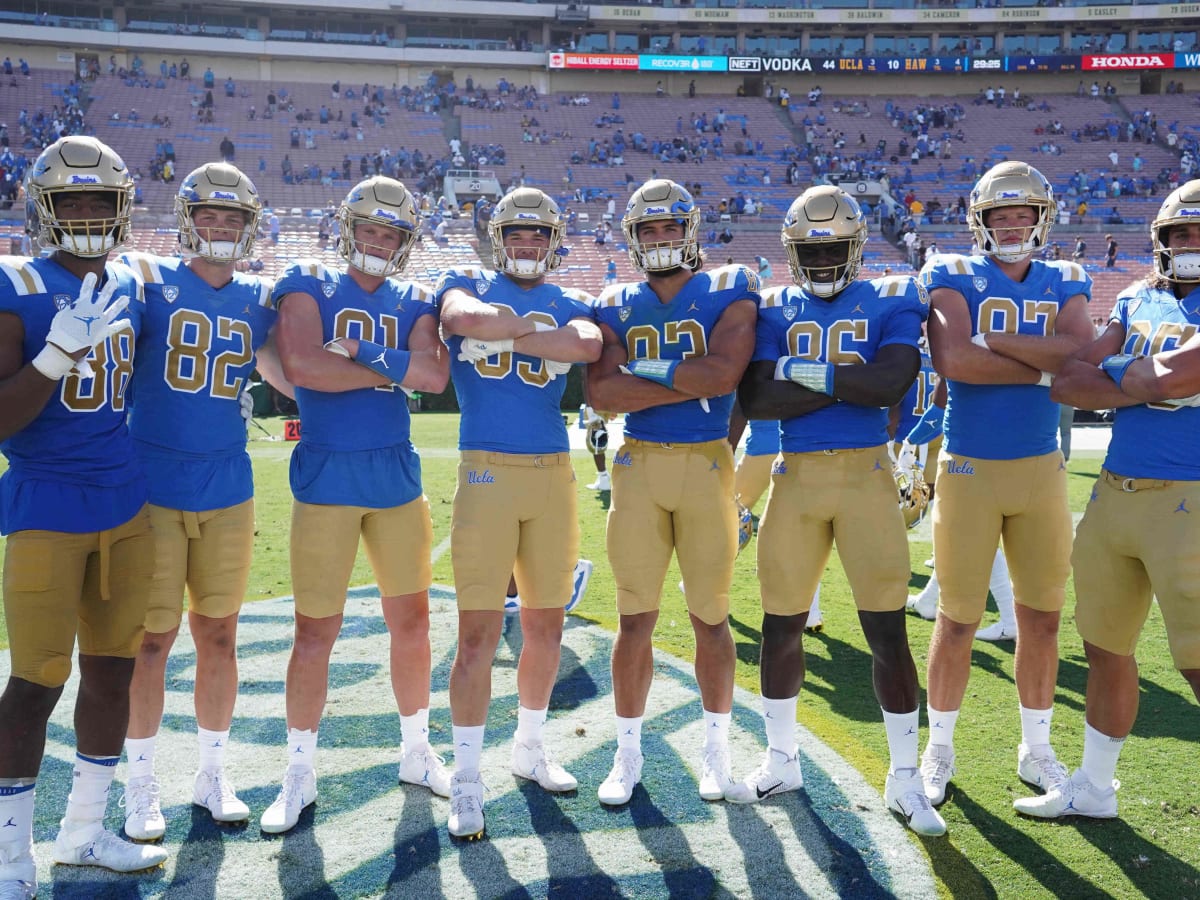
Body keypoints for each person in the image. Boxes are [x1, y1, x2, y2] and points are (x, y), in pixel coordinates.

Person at [731, 185, 944, 836]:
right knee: (780, 629)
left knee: (886, 634)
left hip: (865, 478)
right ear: (792, 250)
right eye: (810, 249)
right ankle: (781, 758)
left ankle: (906, 778)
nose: (822, 261)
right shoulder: (773, 306)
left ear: (855, 247)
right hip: (794, 479)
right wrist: (842, 381)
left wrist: (805, 373)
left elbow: (890, 383)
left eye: (833, 248)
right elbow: (759, 400)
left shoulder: (890, 295)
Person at [0, 135, 169, 897]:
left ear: (125, 205)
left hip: (125, 504)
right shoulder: (18, 283)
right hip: (46, 506)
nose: (90, 213)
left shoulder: (136, 278)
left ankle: (84, 833)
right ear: (45, 207)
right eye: (74, 201)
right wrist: (52, 356)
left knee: (113, 674)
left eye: (102, 199)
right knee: (34, 683)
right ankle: (8, 857)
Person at [260, 176, 451, 834]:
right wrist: (392, 369)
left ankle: (418, 752)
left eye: (390, 232)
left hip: (395, 474)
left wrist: (366, 354)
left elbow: (433, 376)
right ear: (348, 229)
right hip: (329, 472)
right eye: (368, 228)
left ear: (405, 241)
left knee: (414, 623)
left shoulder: (416, 295)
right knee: (315, 632)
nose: (377, 241)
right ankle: (300, 768)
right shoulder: (308, 280)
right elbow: (306, 367)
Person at [1016, 180, 1200, 820]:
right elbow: (1069, 381)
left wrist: (1130, 376)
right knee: (1104, 647)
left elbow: (1172, 375)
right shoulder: (1138, 297)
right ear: (1161, 241)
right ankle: (1095, 789)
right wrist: (1143, 380)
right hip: (1115, 495)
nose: (1190, 245)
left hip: (1191, 498)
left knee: (1197, 662)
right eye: (1181, 234)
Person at [918, 161, 1095, 812]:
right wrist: (1043, 358)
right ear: (981, 220)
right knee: (958, 619)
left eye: (1024, 214)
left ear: (1042, 219)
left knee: (1041, 621)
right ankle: (939, 747)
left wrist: (998, 338)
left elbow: (1083, 353)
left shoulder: (1068, 276)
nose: (1013, 225)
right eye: (1001, 214)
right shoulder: (951, 271)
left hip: (1040, 471)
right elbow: (955, 360)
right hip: (969, 469)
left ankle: (1037, 749)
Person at [117, 163, 287, 840]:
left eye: (233, 219)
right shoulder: (149, 281)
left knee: (218, 634)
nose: (220, 229)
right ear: (187, 220)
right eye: (210, 217)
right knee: (151, 642)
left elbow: (287, 375)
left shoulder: (259, 298)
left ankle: (213, 773)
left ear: (249, 227)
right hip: (153, 485)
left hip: (227, 486)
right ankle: (141, 782)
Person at [437, 187, 602, 840]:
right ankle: (469, 778)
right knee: (477, 634)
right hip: (486, 472)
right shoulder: (464, 281)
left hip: (552, 477)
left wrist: (514, 333)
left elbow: (587, 346)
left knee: (547, 626)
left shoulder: (569, 300)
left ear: (554, 240)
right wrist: (540, 337)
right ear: (497, 238)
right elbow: (463, 321)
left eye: (538, 235)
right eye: (517, 234)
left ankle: (530, 749)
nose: (528, 245)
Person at [587, 179, 758, 806]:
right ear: (632, 237)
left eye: (669, 228)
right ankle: (627, 753)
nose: (660, 240)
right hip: (637, 467)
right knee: (634, 618)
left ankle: (717, 753)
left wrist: (645, 374)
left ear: (690, 231)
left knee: (711, 616)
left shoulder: (729, 286)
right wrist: (690, 383)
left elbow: (725, 373)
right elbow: (603, 396)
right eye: (648, 230)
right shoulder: (614, 300)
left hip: (707, 464)